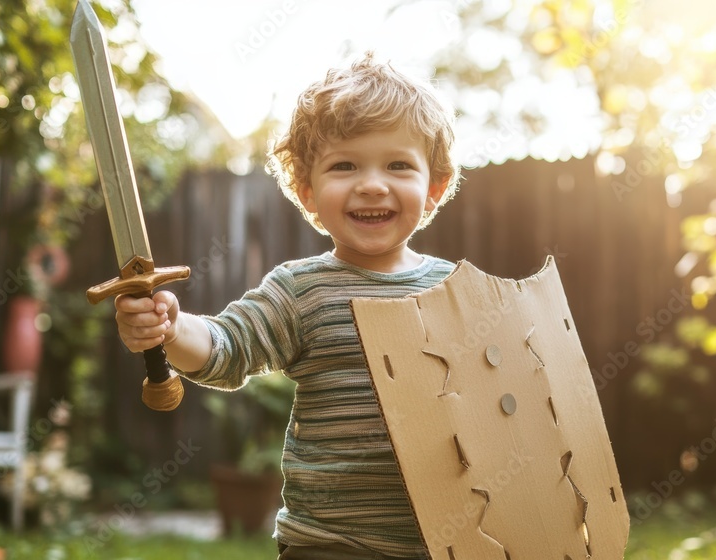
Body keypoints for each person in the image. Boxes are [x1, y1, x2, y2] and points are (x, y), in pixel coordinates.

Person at [114, 53, 460, 560]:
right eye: (344, 165)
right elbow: (227, 348)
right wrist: (169, 327)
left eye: (398, 164)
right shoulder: (302, 290)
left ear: (434, 187)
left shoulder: (460, 292)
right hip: (329, 545)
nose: (371, 182)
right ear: (308, 192)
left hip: (446, 542)